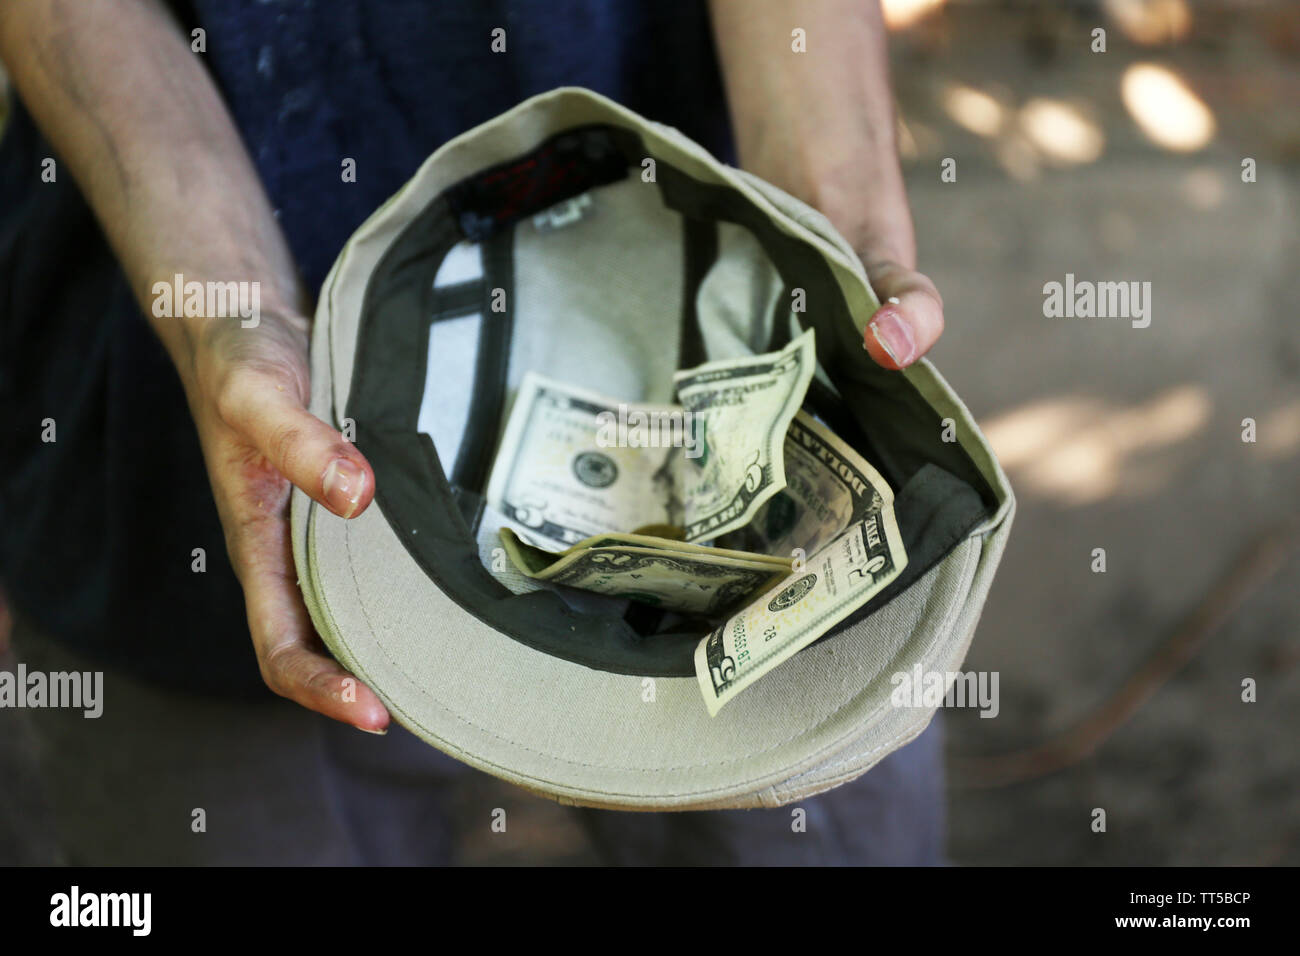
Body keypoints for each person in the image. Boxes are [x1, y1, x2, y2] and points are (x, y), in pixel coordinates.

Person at [0, 0, 947, 865]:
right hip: (180, 415)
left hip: (705, 275)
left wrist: (836, 222)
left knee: (823, 788)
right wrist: (223, 309)